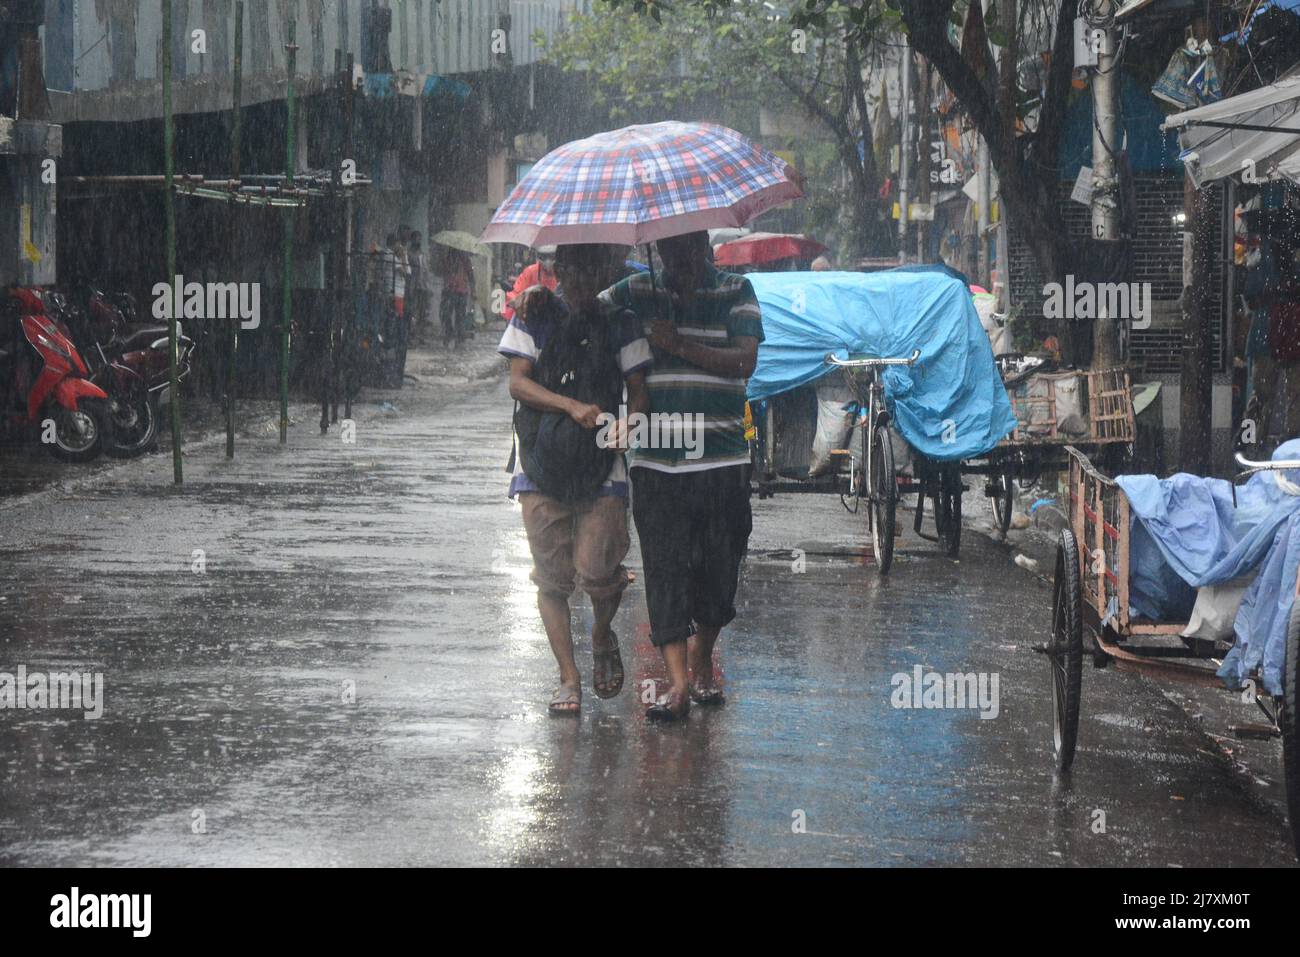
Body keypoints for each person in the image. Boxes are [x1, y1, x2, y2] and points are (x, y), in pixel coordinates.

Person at [601, 230, 762, 721]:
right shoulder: (636, 292)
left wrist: (679, 344)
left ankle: (702, 660)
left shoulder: (737, 291)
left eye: (690, 250)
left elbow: (745, 362)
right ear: (661, 253)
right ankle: (676, 683)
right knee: (665, 567)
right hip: (656, 461)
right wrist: (540, 300)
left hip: (723, 458)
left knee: (719, 570)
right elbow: (587, 308)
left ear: (706, 248)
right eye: (671, 251)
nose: (681, 261)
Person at [499, 244, 652, 716]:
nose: (582, 278)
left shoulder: (622, 321)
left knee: (598, 571)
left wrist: (631, 426)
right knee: (551, 578)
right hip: (540, 462)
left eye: (593, 268)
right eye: (573, 268)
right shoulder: (535, 313)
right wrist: (569, 406)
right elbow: (517, 383)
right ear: (558, 269)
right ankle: (568, 677)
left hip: (602, 464)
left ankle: (603, 632)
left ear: (607, 270)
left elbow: (639, 393)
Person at [503, 247, 558, 322]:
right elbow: (516, 293)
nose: (548, 261)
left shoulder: (564, 271)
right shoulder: (531, 272)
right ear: (538, 257)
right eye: (544, 257)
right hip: (535, 319)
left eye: (551, 256)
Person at [440, 249, 473, 348]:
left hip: (461, 291)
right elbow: (443, 272)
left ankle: (459, 337)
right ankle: (449, 333)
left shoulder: (466, 260)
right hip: (450, 290)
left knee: (460, 315)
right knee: (446, 314)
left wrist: (473, 290)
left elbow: (471, 274)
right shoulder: (448, 260)